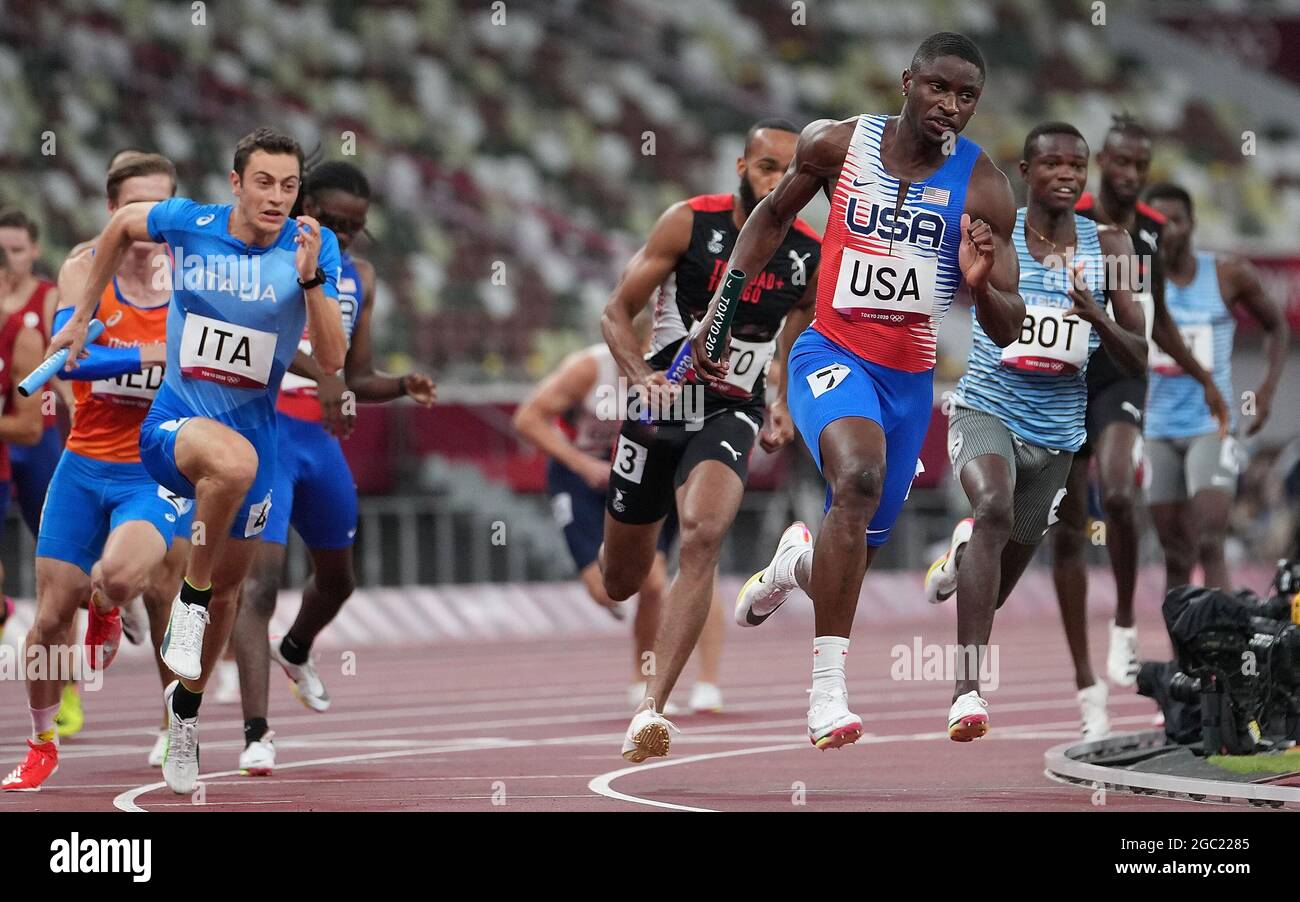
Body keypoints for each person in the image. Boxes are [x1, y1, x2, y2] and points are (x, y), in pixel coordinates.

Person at [725, 32, 1025, 758]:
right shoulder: (837, 144)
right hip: (829, 350)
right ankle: (827, 694)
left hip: (907, 379)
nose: (950, 106)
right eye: (938, 88)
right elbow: (770, 219)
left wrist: (981, 286)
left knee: (854, 546)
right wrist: (722, 307)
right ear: (907, 81)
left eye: (966, 97)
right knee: (854, 479)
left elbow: (1009, 324)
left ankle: (790, 566)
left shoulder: (983, 186)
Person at [46, 127, 347, 794]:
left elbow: (330, 361)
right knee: (229, 471)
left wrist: (314, 282)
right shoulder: (193, 223)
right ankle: (190, 595)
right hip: (174, 428)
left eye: (289, 185)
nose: (276, 196)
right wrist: (82, 311)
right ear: (235, 184)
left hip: (256, 442)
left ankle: (183, 715)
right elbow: (124, 222)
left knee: (222, 595)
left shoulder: (310, 245)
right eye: (263, 182)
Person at [601, 118, 822, 762]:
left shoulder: (808, 252)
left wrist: (782, 406)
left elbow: (793, 343)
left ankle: (652, 709)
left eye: (792, 172)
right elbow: (616, 310)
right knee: (622, 579)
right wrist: (641, 375)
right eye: (766, 167)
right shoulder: (687, 223)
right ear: (740, 167)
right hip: (661, 404)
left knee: (701, 536)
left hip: (732, 410)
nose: (779, 181)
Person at [923, 123, 1147, 740]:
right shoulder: (1003, 233)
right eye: (1052, 164)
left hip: (1058, 434)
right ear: (1026, 172)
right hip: (987, 408)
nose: (1066, 175)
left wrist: (1096, 311)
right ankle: (967, 694)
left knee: (991, 591)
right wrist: (980, 286)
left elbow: (1138, 355)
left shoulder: (1116, 248)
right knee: (993, 507)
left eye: (1077, 165)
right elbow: (997, 323)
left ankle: (967, 555)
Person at [232, 161, 435, 776]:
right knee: (260, 587)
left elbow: (355, 375)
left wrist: (400, 383)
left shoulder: (361, 277)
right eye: (333, 221)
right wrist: (322, 377)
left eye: (355, 227)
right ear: (304, 207)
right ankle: (257, 733)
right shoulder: (268, 255)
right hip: (268, 432)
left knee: (339, 581)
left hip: (319, 444)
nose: (343, 235)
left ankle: (296, 649)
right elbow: (253, 338)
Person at [2, 154, 194, 791]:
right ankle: (41, 741)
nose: (149, 223)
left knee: (152, 591)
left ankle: (173, 723)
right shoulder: (85, 267)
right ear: (113, 213)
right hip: (84, 464)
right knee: (50, 618)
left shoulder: (195, 279)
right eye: (136, 210)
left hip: (155, 467)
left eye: (160, 209)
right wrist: (148, 352)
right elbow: (68, 358)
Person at [1050, 118, 1229, 709]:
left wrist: (1205, 379)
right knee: (1069, 526)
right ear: (1102, 160)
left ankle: (1125, 620)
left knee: (1121, 494)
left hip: (1120, 373)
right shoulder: (1063, 213)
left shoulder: (1152, 234)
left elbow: (1157, 321)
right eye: (1120, 163)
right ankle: (1082, 678)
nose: (1129, 175)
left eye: (1140, 167)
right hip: (1061, 376)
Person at [513, 341, 726, 714]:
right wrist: (581, 464)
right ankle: (608, 555)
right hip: (582, 478)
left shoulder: (679, 376)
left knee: (655, 583)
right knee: (606, 591)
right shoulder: (588, 369)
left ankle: (642, 681)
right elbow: (527, 418)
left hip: (642, 475)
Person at [1143, 183, 1288, 597]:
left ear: (1191, 224)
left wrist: (1266, 389)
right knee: (1175, 552)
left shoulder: (1228, 273)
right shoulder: (1135, 281)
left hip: (1212, 423)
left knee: (1210, 540)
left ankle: (1220, 652)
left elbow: (1277, 326)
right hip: (1155, 428)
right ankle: (1185, 656)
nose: (1166, 231)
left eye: (1175, 221)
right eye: (1156, 224)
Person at [0, 210, 67, 535]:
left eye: (18, 250)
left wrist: (71, 399)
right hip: (4, 430)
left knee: (48, 528)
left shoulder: (47, 296)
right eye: (4, 251)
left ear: (35, 251)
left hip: (38, 426)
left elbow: (57, 362)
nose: (11, 259)